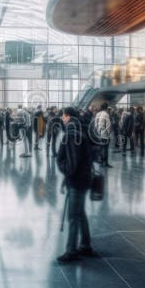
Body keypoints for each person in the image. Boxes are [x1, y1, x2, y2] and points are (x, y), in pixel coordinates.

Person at [56, 107, 96, 263]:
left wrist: (64, 169)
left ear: (67, 116)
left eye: (62, 115)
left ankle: (71, 251)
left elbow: (71, 163)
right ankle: (85, 245)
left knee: (73, 216)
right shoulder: (81, 128)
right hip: (84, 178)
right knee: (80, 214)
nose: (62, 118)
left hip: (77, 180)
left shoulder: (71, 133)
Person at [94, 103, 112, 167]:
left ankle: (100, 161)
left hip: (99, 134)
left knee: (101, 147)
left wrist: (97, 131)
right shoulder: (106, 114)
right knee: (105, 148)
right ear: (106, 108)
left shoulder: (98, 114)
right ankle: (105, 163)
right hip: (105, 134)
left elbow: (95, 124)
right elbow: (108, 125)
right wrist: (108, 133)